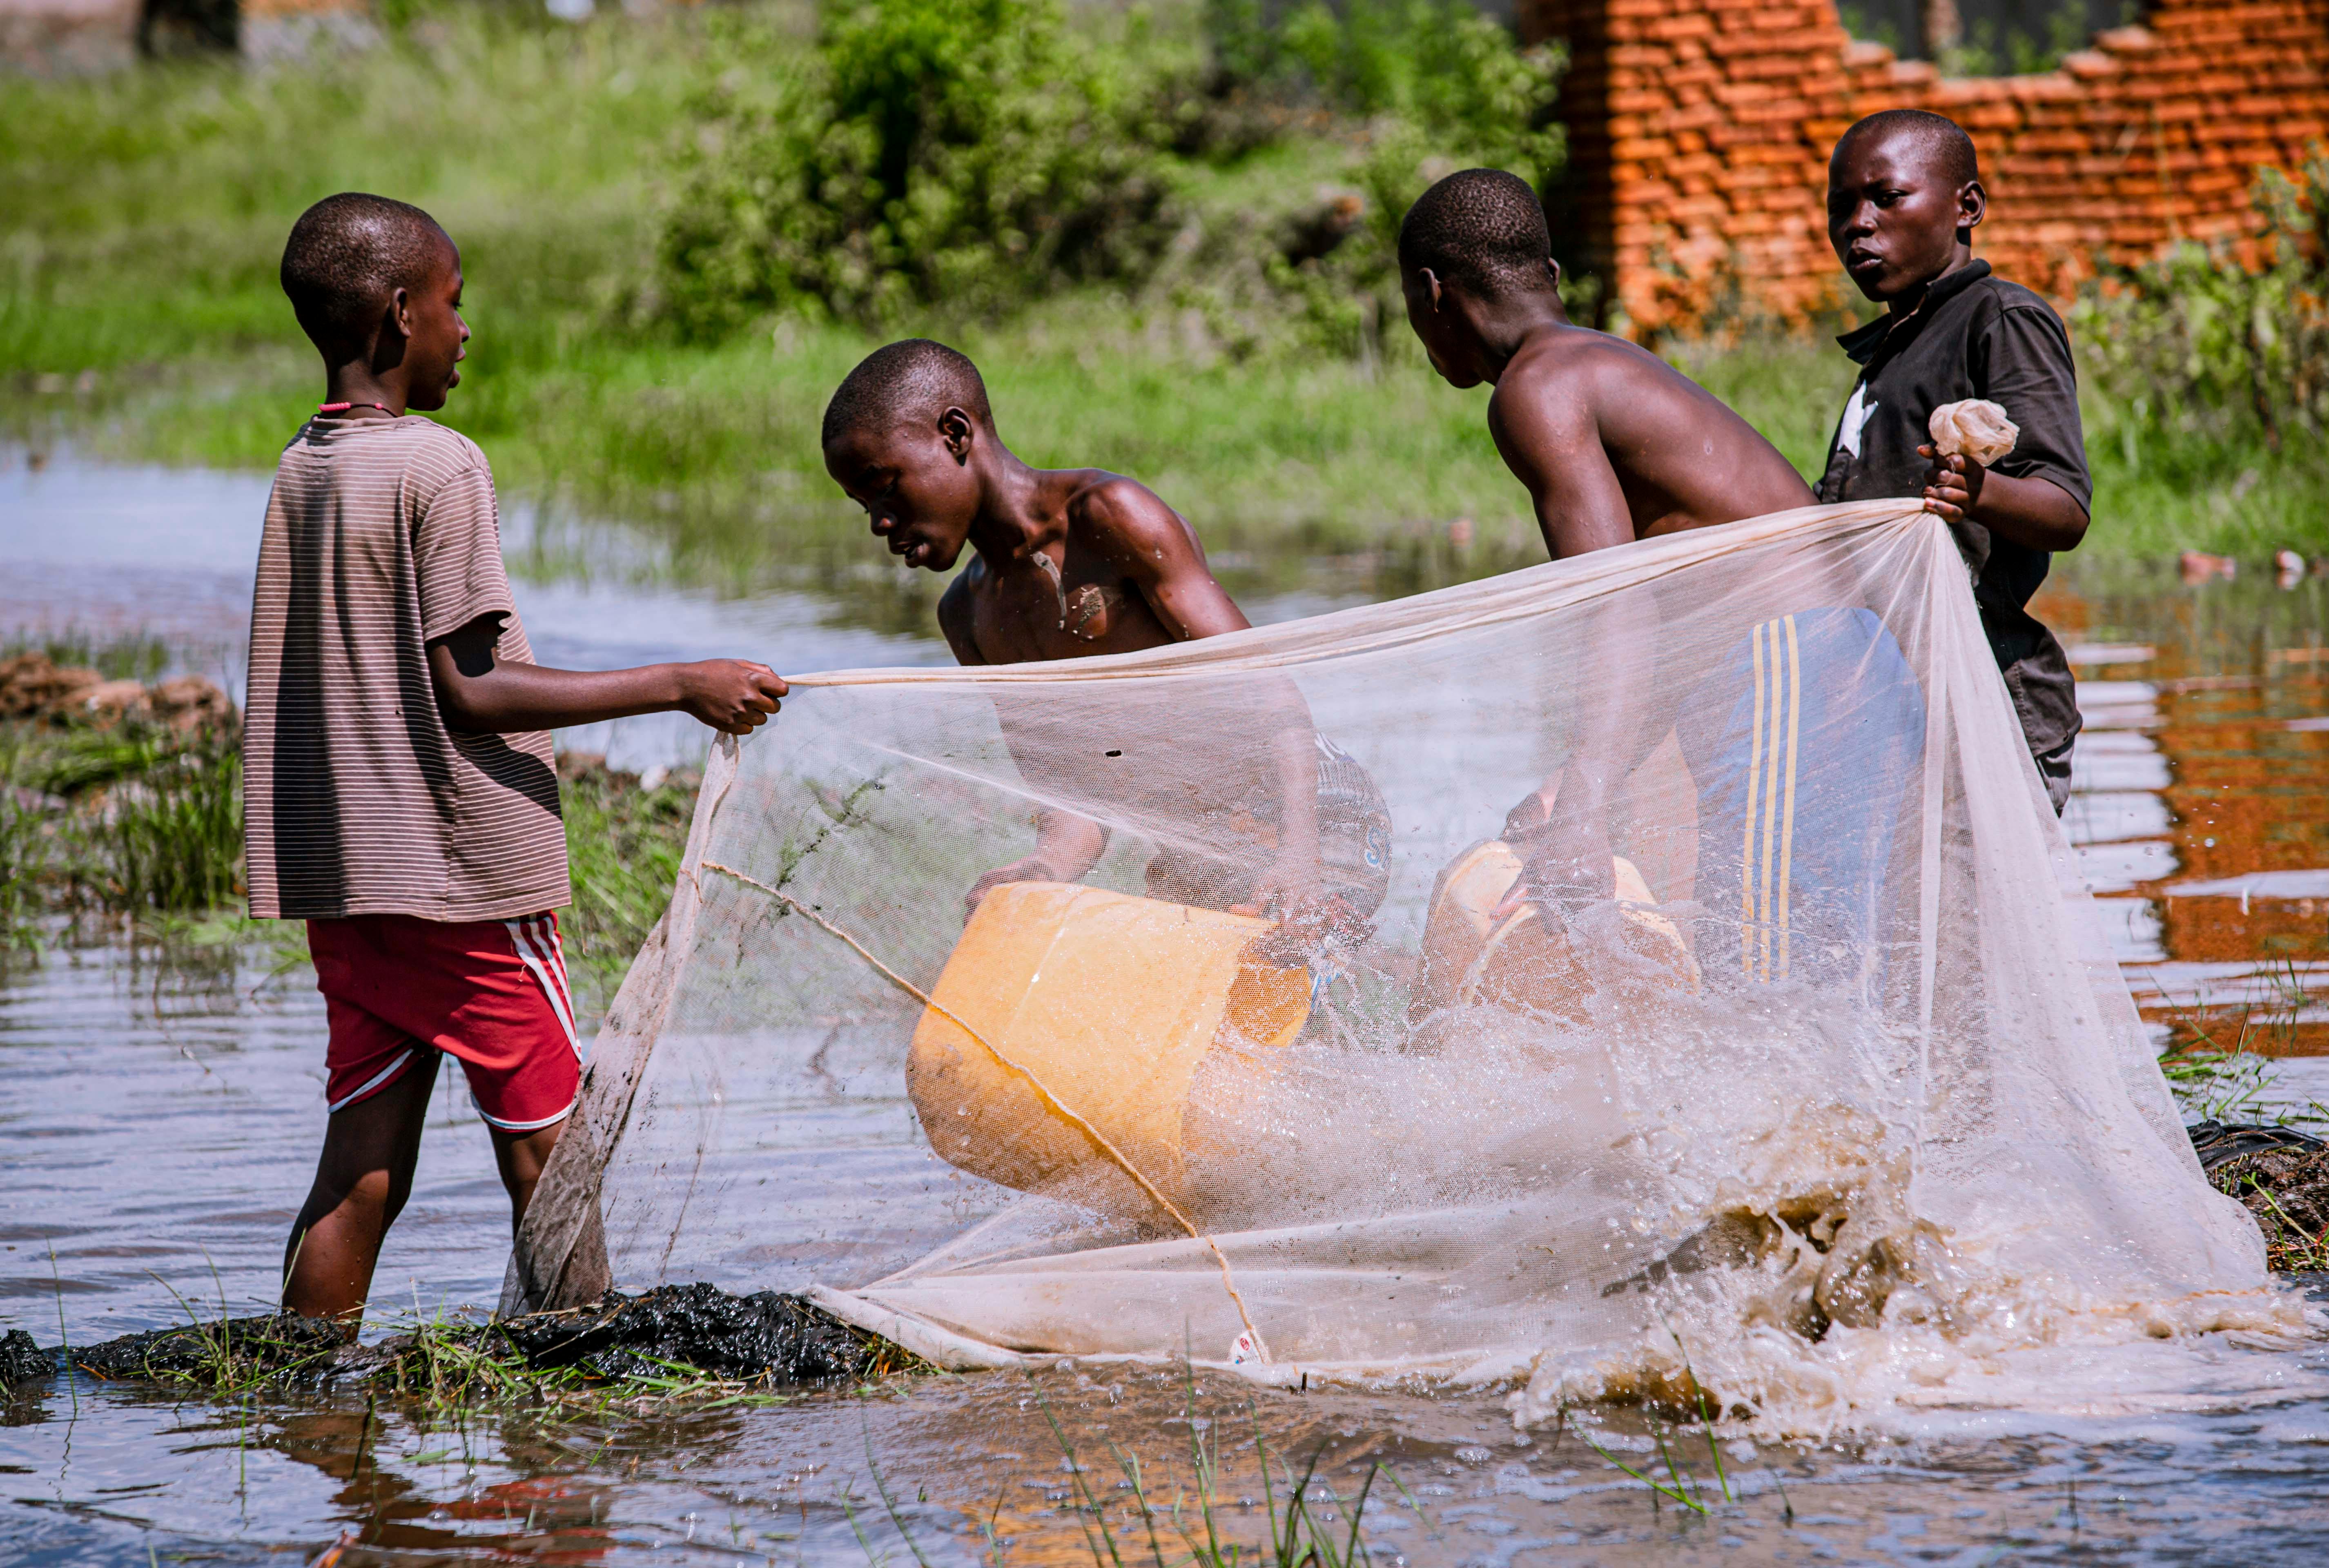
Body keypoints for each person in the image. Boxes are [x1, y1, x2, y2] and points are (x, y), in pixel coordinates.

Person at [248, 193, 789, 1327]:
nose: (465, 330)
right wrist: (679, 684)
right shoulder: (440, 467)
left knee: (360, 1164)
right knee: (556, 1152)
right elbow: (473, 690)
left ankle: (299, 1405)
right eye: (455, 305)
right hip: (463, 886)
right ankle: (576, 1423)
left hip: (351, 888)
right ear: (401, 315)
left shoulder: (304, 467)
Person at [820, 339, 1388, 945]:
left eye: (884, 487)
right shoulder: (967, 617)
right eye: (863, 506)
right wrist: (1040, 871)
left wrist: (1300, 855)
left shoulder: (1109, 518)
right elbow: (1072, 803)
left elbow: (1270, 694)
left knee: (1280, 972)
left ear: (955, 434)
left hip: (1314, 810)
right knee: (1209, 1025)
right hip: (1193, 843)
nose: (880, 522)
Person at [1397, 169, 1827, 923]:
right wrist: (1571, 787)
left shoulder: (1538, 389)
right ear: (1552, 277)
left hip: (1792, 676)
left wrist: (1584, 819)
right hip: (1800, 673)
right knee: (1771, 966)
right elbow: (1674, 616)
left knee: (1775, 981)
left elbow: (1617, 608)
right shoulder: (1596, 363)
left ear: (1431, 294)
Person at [1815, 108, 2090, 815]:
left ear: (1967, 206)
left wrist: (1979, 491)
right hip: (1891, 712)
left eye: (1887, 196)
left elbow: (2064, 508)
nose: (1858, 223)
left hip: (1989, 704)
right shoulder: (1893, 351)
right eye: (1841, 206)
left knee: (1980, 926)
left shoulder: (1999, 318)